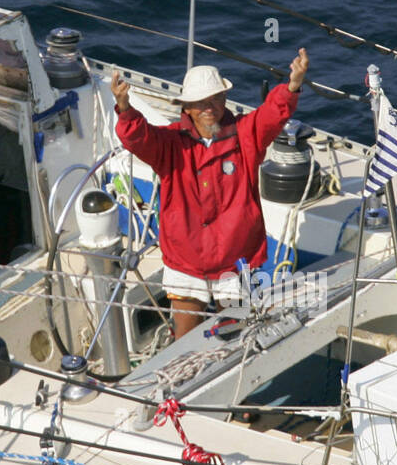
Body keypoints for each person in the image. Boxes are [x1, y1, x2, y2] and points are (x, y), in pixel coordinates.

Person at [111, 48, 309, 337]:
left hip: (235, 258)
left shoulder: (246, 134)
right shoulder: (169, 143)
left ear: (225, 100)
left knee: (238, 336)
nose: (209, 106)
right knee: (184, 340)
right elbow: (137, 137)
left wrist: (292, 87)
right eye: (200, 101)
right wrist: (125, 108)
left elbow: (271, 115)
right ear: (187, 107)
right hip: (185, 259)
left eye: (215, 98)